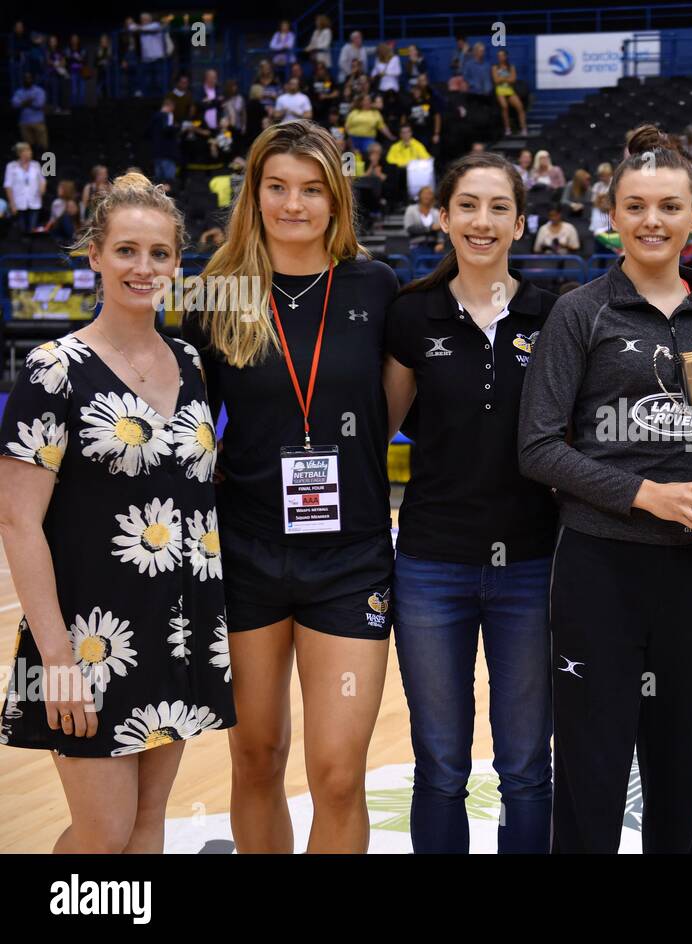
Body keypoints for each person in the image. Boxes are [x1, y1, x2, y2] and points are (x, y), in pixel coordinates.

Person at [517, 123, 692, 854]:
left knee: (679, 768)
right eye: (635, 205)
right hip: (601, 569)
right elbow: (536, 447)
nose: (652, 220)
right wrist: (644, 494)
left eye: (668, 205)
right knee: (592, 770)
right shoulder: (578, 312)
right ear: (612, 216)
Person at [182, 120, 401, 854]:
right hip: (244, 554)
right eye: (276, 186)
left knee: (338, 775)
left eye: (311, 189)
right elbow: (187, 429)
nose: (293, 203)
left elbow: (397, 406)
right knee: (255, 757)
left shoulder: (376, 285)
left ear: (336, 198)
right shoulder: (219, 291)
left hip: (350, 558)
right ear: (255, 193)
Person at [0, 172, 235, 850]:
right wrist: (57, 659)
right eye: (126, 250)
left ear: (177, 264)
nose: (144, 267)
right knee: (102, 831)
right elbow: (18, 522)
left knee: (147, 823)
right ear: (95, 255)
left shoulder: (190, 361)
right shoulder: (54, 369)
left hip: (179, 636)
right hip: (87, 640)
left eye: (159, 254)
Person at [382, 152, 558, 853]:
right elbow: (375, 437)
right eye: (468, 206)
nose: (481, 221)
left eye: (497, 208)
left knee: (525, 769)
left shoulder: (554, 315)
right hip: (431, 566)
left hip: (533, 565)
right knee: (441, 767)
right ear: (444, 216)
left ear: (521, 221)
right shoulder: (410, 313)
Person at [4, 142, 44, 234]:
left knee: (32, 230)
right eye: (27, 150)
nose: (30, 152)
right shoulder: (11, 166)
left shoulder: (36, 165)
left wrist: (42, 190)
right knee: (22, 230)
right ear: (20, 153)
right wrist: (12, 203)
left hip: (34, 200)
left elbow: (42, 180)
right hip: (19, 202)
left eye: (30, 150)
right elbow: (8, 185)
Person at [493, 49, 527, 136]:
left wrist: (502, 78)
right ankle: (507, 129)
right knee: (504, 106)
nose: (500, 57)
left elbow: (513, 79)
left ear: (506, 56)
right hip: (500, 91)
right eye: (499, 56)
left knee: (520, 106)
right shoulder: (495, 67)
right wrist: (507, 78)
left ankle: (523, 128)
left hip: (510, 91)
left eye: (502, 55)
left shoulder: (511, 67)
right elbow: (496, 80)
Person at [12, 72, 48, 153]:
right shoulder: (19, 92)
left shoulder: (39, 91)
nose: (27, 80)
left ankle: (44, 163)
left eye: (29, 78)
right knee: (29, 148)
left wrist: (23, 103)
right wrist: (30, 101)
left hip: (38, 122)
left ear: (33, 79)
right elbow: (15, 104)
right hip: (24, 123)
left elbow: (39, 104)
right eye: (25, 78)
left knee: (42, 146)